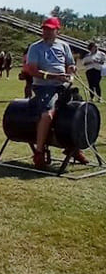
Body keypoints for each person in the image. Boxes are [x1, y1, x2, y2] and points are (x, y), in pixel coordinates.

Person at [23, 16, 86, 169]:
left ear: (57, 31)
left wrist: (71, 70)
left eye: (50, 29)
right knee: (47, 115)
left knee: (81, 111)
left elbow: (70, 64)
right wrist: (53, 76)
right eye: (45, 29)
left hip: (62, 85)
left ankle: (74, 147)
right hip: (44, 87)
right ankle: (39, 153)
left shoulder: (64, 46)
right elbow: (32, 70)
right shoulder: (35, 47)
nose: (46, 32)